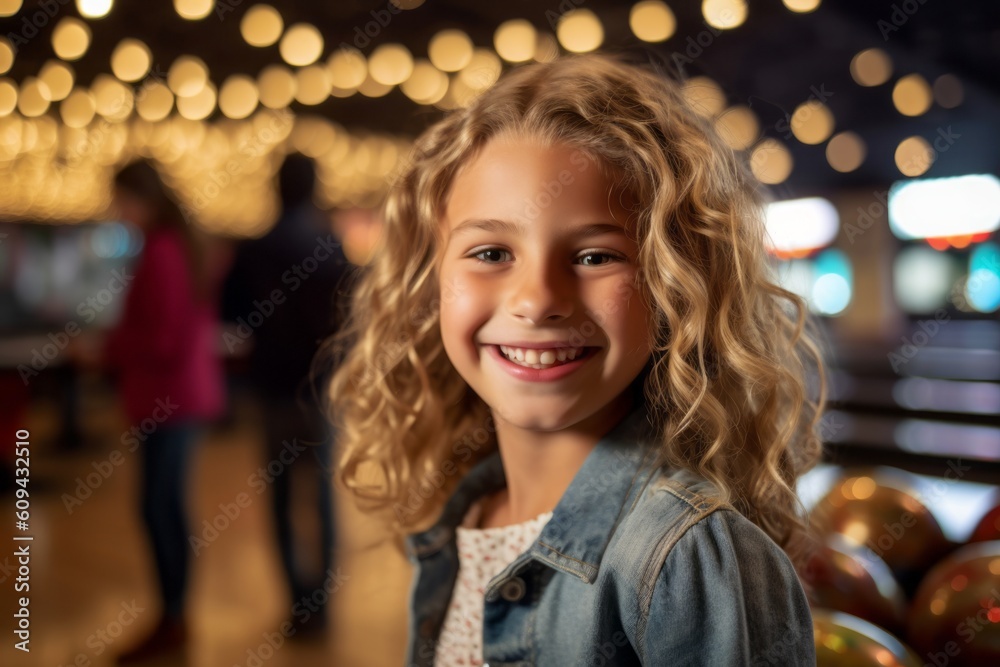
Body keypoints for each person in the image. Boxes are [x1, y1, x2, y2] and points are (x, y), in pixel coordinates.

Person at [329, 54, 826, 666]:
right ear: (431, 282)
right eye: (490, 252)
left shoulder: (687, 558)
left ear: (678, 286)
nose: (537, 301)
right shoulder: (461, 512)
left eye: (595, 257)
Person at [100, 160, 226, 663]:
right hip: (175, 397)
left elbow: (162, 339)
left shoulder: (163, 251)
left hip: (168, 399)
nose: (117, 211)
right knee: (163, 507)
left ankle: (172, 617)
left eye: (122, 201)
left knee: (160, 508)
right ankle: (172, 615)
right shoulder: (177, 245)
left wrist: (108, 348)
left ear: (142, 199)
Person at [222, 153, 349, 636]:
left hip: (275, 389)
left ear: (275, 187)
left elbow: (231, 314)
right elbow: (349, 317)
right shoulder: (330, 243)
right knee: (322, 500)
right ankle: (324, 605)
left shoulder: (255, 248)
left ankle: (300, 604)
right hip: (320, 390)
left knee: (280, 500)